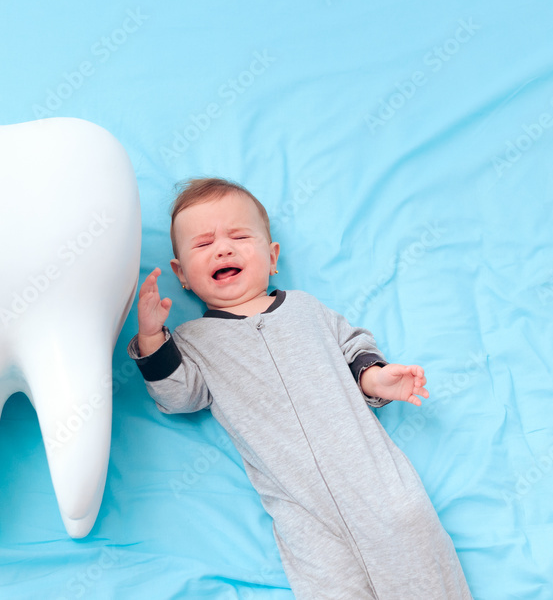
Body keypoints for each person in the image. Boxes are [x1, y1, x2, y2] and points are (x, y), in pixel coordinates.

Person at [127, 177, 472, 599]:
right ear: (181, 274)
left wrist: (378, 377)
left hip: (377, 483)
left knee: (423, 573)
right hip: (300, 511)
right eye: (203, 244)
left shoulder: (306, 308)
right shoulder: (192, 341)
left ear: (272, 257)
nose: (223, 248)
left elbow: (353, 348)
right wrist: (150, 338)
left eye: (239, 236)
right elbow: (178, 396)